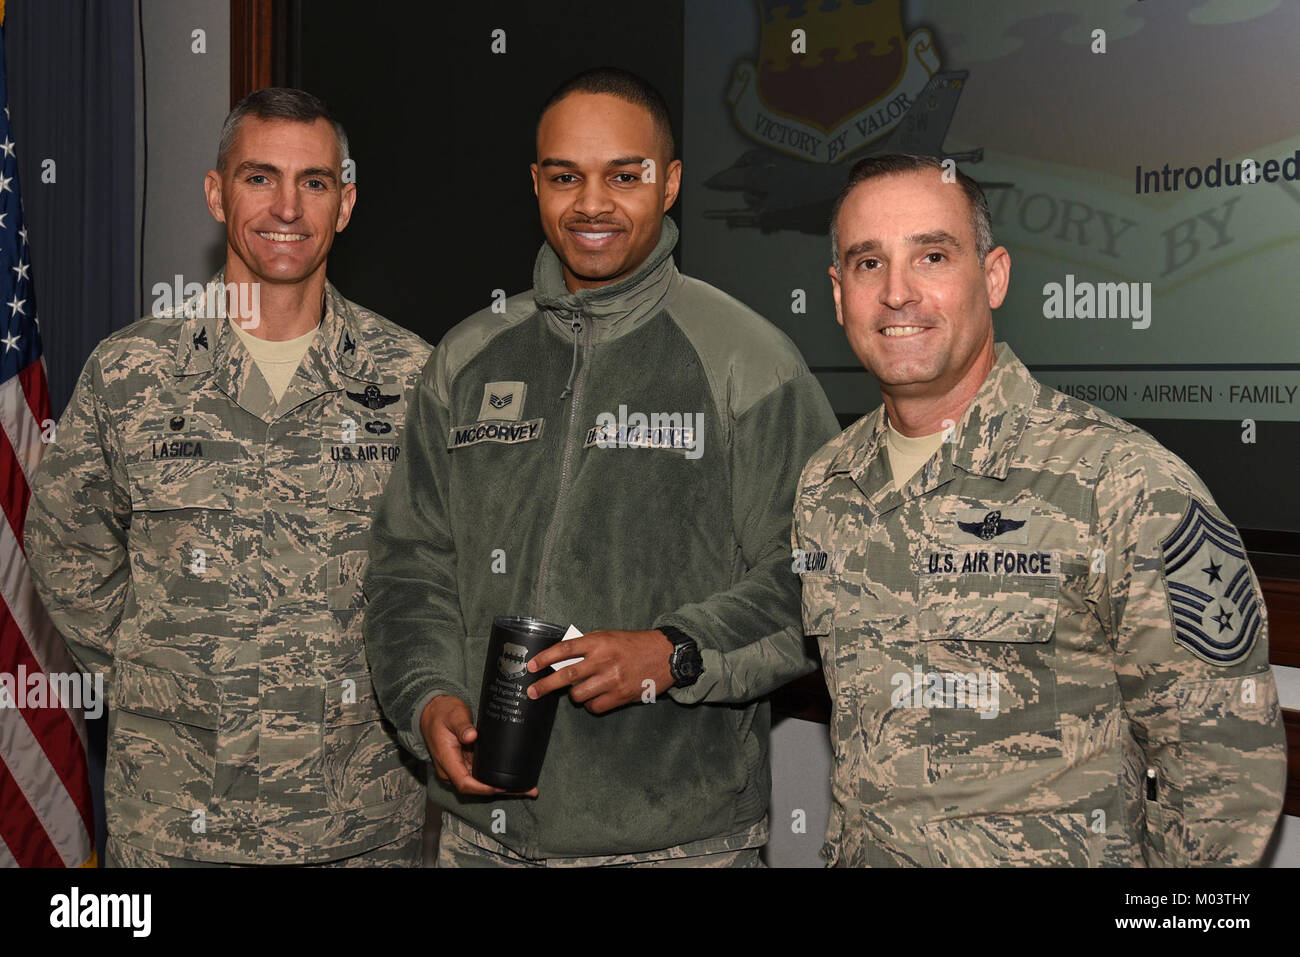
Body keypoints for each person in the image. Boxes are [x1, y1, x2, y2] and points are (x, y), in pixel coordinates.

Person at [363, 67, 839, 867]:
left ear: (671, 183)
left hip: (680, 844)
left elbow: (815, 577)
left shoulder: (748, 362)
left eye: (625, 175)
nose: (591, 203)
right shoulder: (469, 357)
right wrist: (426, 700)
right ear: (536, 184)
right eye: (565, 176)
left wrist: (675, 650)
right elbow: (411, 564)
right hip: (484, 841)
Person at [795, 152, 1287, 867]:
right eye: (869, 264)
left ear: (992, 276)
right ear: (839, 295)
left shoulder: (1125, 484)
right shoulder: (825, 487)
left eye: (932, 255)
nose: (898, 293)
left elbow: (1228, 781)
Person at [25, 88, 431, 866]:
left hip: (353, 823)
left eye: (314, 182)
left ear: (344, 204)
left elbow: (443, 575)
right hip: (178, 820)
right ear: (216, 193)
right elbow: (65, 549)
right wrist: (163, 672)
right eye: (259, 177)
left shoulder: (413, 378)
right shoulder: (131, 372)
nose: (287, 206)